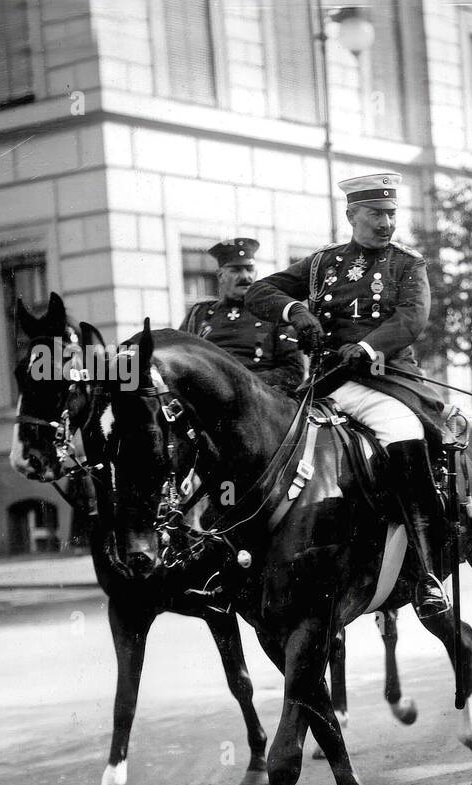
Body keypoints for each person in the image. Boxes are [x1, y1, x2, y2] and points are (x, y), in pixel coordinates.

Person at [244, 172, 449, 618]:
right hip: (325, 383)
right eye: (376, 214)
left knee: (405, 436)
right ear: (352, 214)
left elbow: (414, 317)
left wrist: (368, 346)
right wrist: (295, 311)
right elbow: (259, 292)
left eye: (391, 214)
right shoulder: (321, 264)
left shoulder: (407, 264)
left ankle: (428, 573)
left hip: (384, 380)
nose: (386, 223)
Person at [180, 238, 305, 398]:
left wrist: (242, 382)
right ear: (220, 275)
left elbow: (293, 371)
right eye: (236, 270)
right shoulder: (199, 314)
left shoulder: (274, 312)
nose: (245, 276)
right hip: (208, 397)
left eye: (249, 269)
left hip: (258, 400)